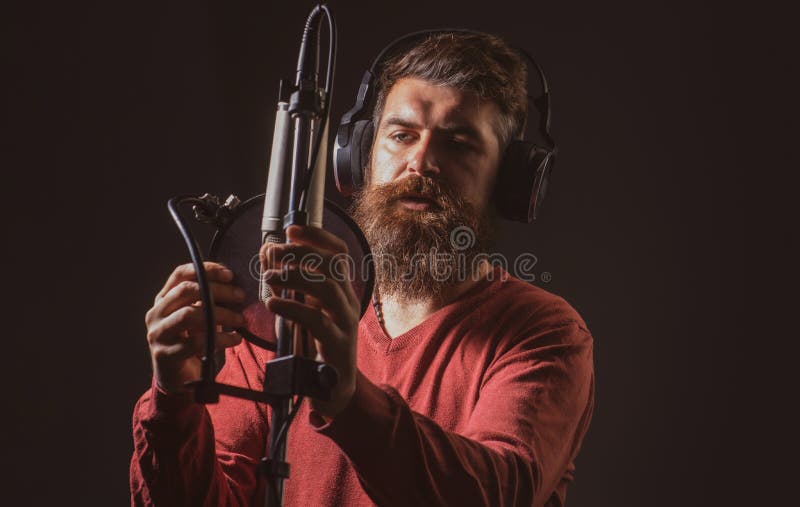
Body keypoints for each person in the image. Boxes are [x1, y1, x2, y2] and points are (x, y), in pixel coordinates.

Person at [130, 32, 594, 506]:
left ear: (509, 182)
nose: (421, 162)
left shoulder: (545, 334)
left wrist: (347, 399)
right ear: (358, 158)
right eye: (401, 135)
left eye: (458, 144)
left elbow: (496, 494)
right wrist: (173, 400)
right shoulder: (279, 319)